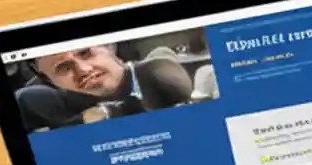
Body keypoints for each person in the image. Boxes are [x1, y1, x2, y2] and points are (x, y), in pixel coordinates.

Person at [16, 44, 195, 131]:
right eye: (63, 67)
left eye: (85, 53)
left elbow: (164, 61)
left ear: (110, 46)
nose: (84, 70)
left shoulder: (155, 71)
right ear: (48, 80)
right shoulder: (39, 101)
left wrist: (108, 113)